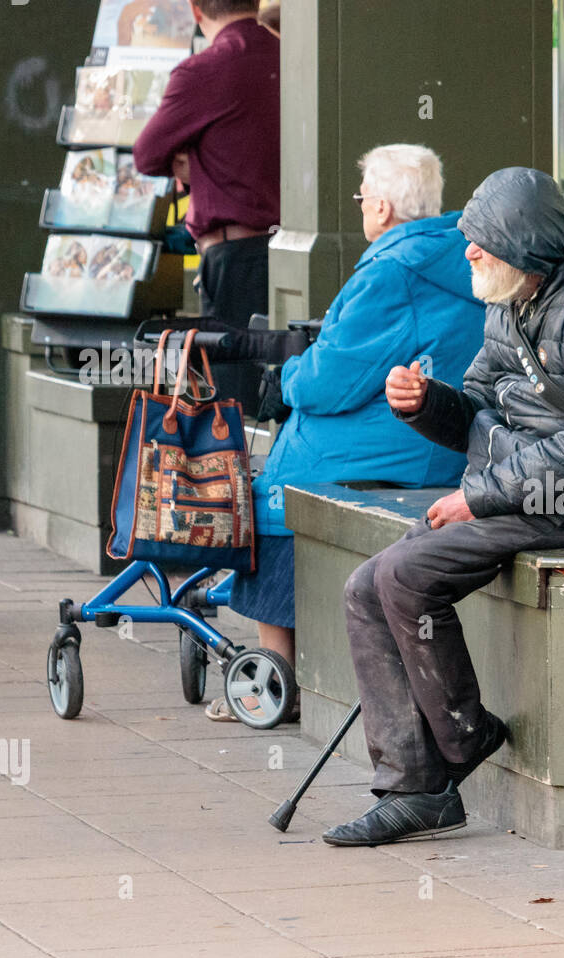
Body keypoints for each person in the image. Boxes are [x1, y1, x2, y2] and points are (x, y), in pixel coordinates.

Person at [323, 167, 564, 846]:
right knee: (364, 586)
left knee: (401, 576)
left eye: (482, 241)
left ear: (523, 241)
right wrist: (426, 405)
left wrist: (477, 495)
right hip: (521, 490)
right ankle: (414, 781)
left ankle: (459, 743)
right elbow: (480, 411)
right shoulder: (510, 298)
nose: (469, 254)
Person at [205, 144, 485, 722]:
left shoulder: (391, 271)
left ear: (381, 207)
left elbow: (330, 379)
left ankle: (272, 675)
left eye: (362, 199)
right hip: (444, 449)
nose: (360, 208)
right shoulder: (465, 258)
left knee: (277, 493)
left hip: (392, 449)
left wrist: (288, 378)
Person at [133, 0, 279, 328]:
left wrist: (194, 163)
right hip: (292, 254)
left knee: (234, 376)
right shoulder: (293, 56)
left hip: (235, 261)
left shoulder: (202, 70)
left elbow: (146, 155)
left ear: (195, 11)